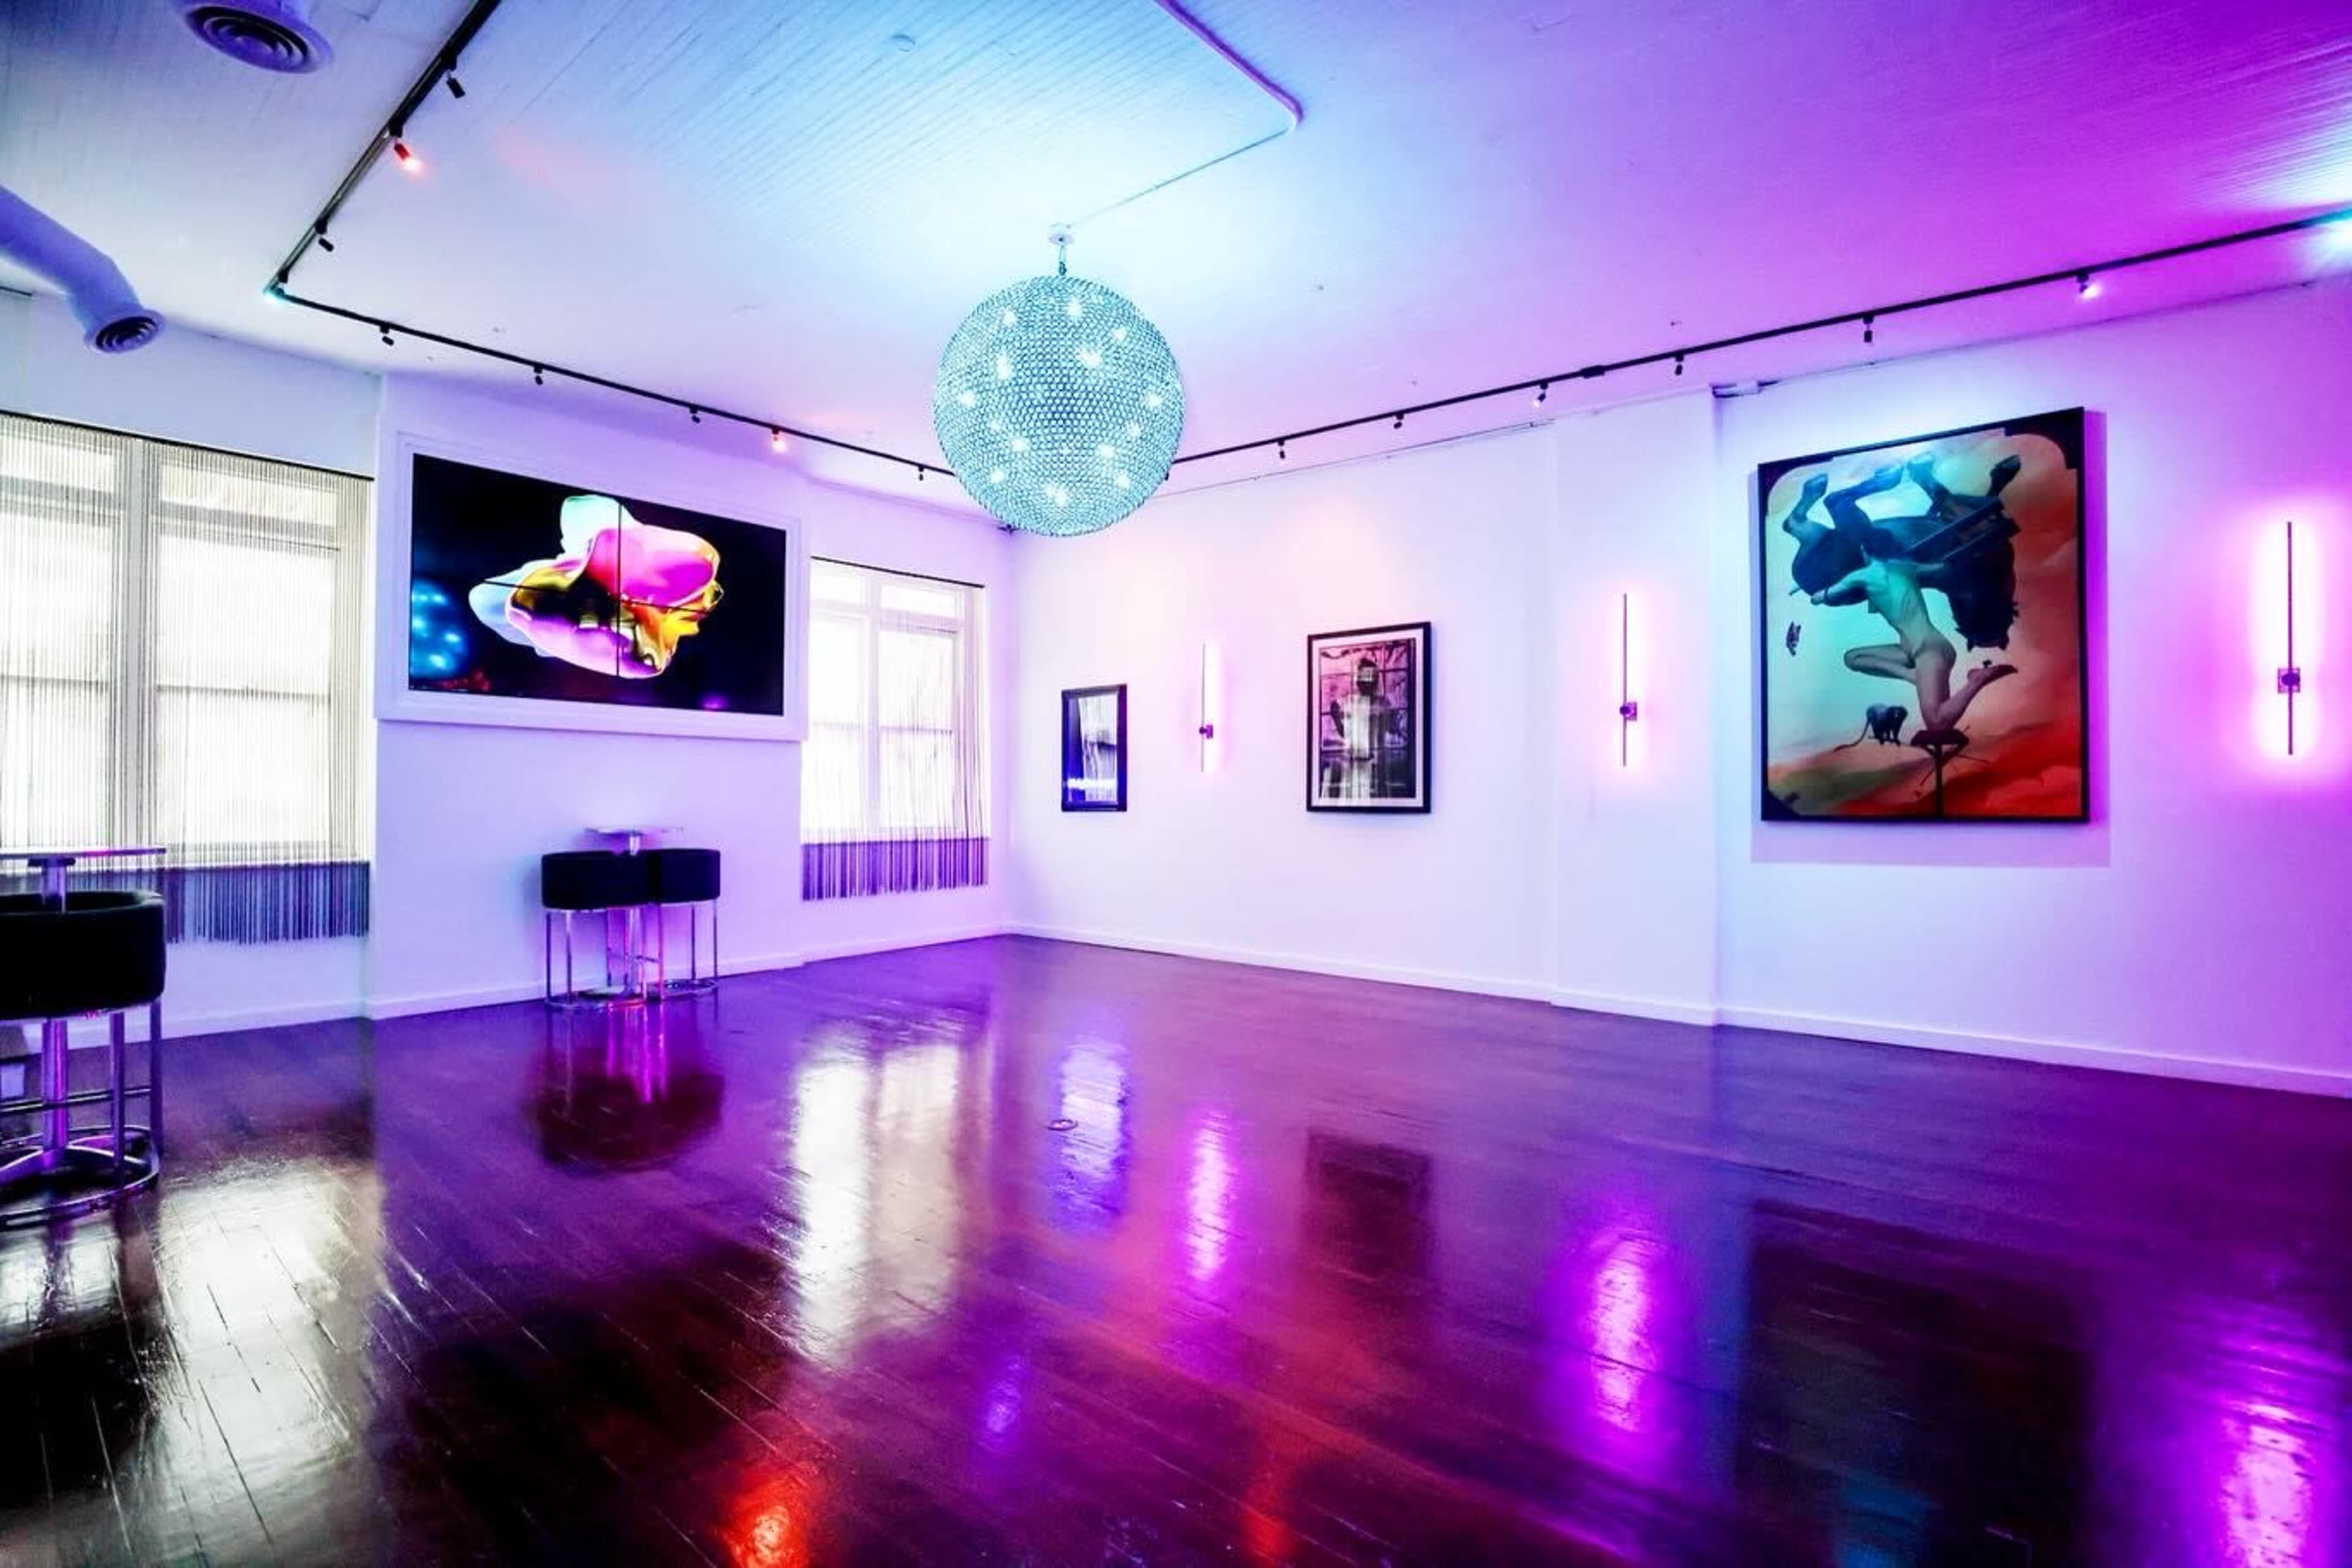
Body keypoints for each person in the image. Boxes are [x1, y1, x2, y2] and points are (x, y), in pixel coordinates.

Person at [1325, 654, 1404, 799]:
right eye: (1362, 676)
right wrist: (1336, 717)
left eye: (1370, 676)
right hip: (1354, 762)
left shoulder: (1382, 702)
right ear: (1357, 679)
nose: (1366, 681)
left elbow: (1392, 729)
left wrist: (1392, 717)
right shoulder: (1349, 703)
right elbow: (1347, 734)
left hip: (1376, 762)